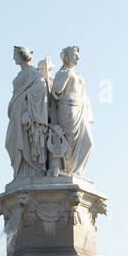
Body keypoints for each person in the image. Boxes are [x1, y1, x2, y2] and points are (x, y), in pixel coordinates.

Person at [5, 46, 50, 179]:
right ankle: (20, 172)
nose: (14, 57)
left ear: (22, 55)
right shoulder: (20, 75)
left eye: (15, 54)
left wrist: (25, 102)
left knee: (26, 144)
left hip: (27, 114)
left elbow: (41, 86)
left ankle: (31, 172)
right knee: (10, 142)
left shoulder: (32, 72)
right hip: (16, 115)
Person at [50, 46, 93, 178]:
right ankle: (68, 171)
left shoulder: (79, 75)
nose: (77, 57)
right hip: (68, 109)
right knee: (69, 142)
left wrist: (88, 112)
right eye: (74, 55)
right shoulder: (62, 73)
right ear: (66, 57)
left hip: (81, 110)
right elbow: (56, 90)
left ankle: (77, 172)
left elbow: (85, 95)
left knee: (88, 142)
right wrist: (65, 76)